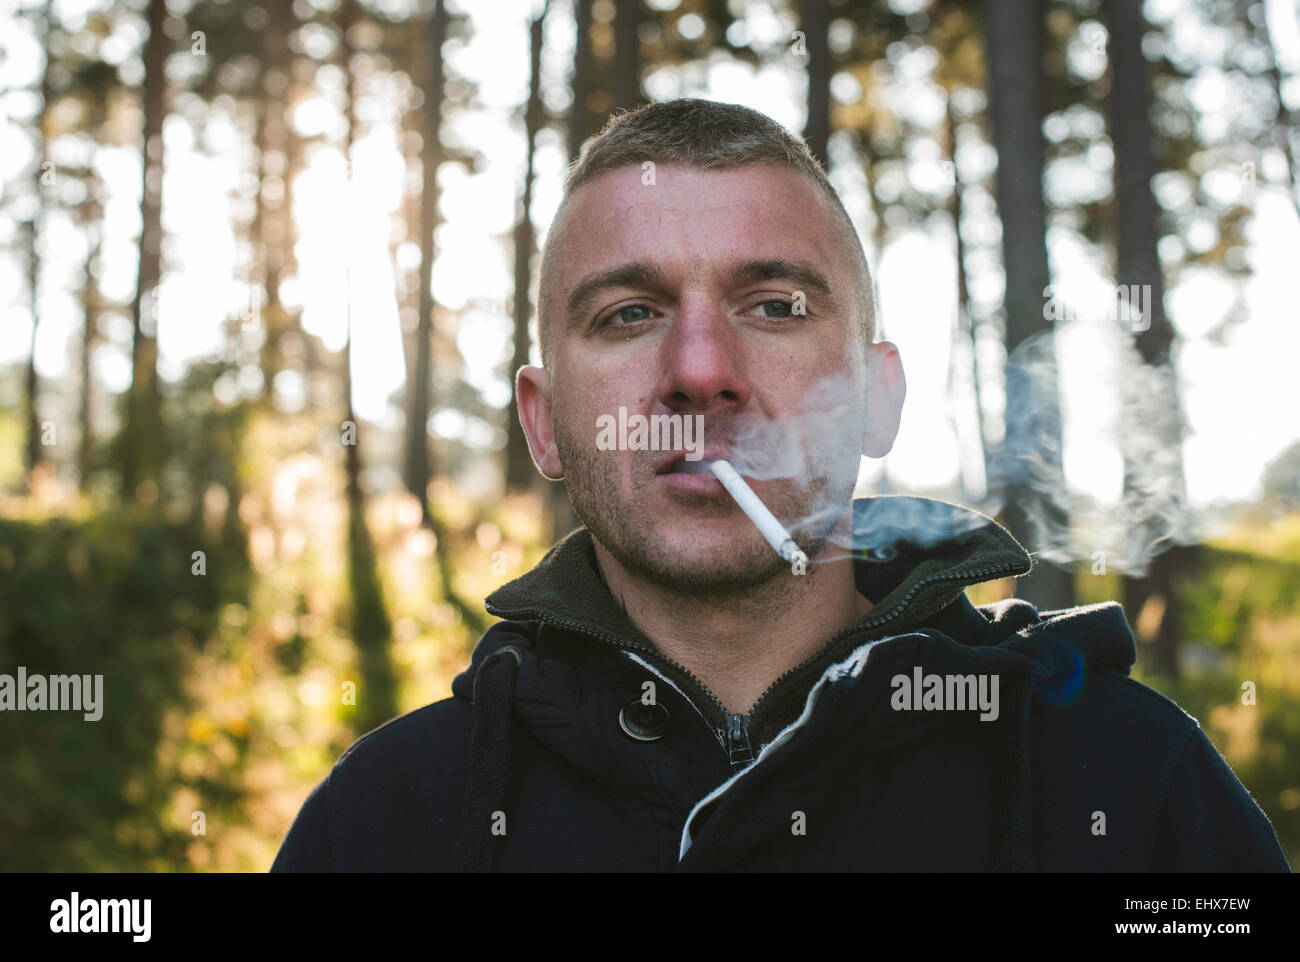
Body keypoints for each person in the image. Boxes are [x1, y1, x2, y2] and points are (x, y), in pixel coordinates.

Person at [271, 98, 1289, 872]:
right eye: (627, 313)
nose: (700, 366)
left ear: (877, 398)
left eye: (773, 303)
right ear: (544, 422)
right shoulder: (387, 820)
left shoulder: (1126, 780)